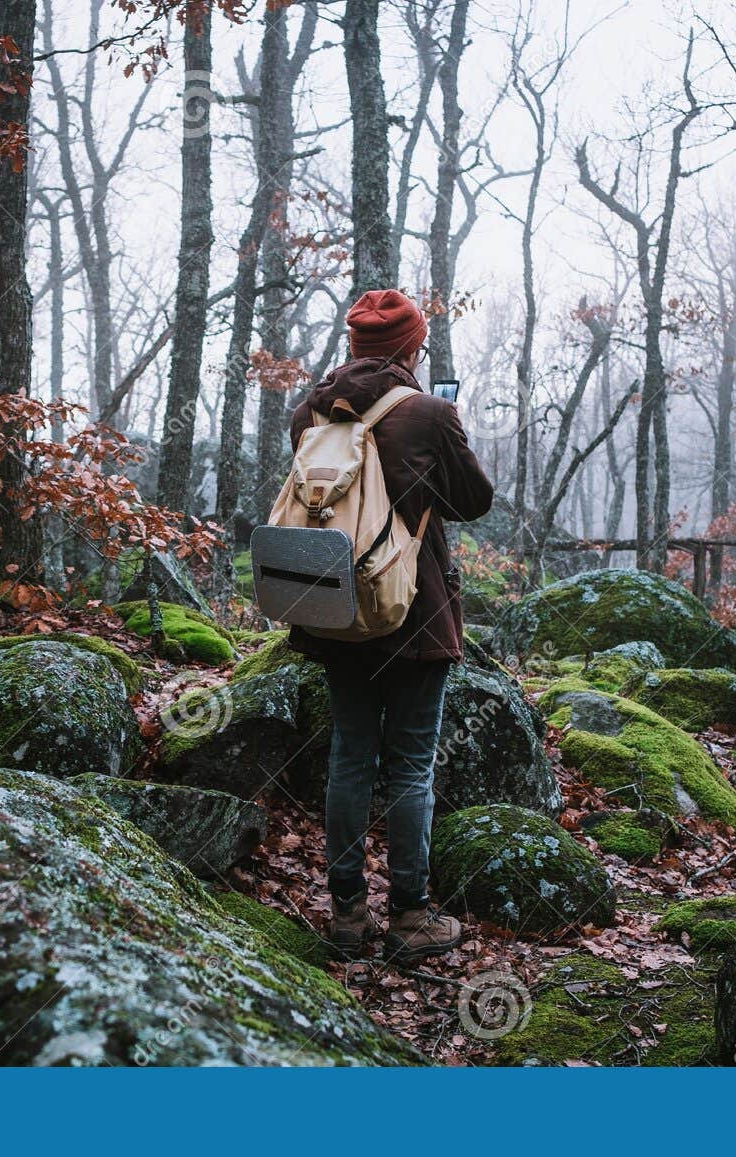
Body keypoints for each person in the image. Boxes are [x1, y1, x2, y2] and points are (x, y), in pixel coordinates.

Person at [286, 288, 494, 962]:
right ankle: (409, 917)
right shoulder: (429, 413)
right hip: (415, 611)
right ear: (411, 347)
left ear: (354, 346)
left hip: (337, 606)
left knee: (350, 755)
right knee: (409, 766)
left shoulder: (309, 412)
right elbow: (474, 500)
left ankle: (346, 911)